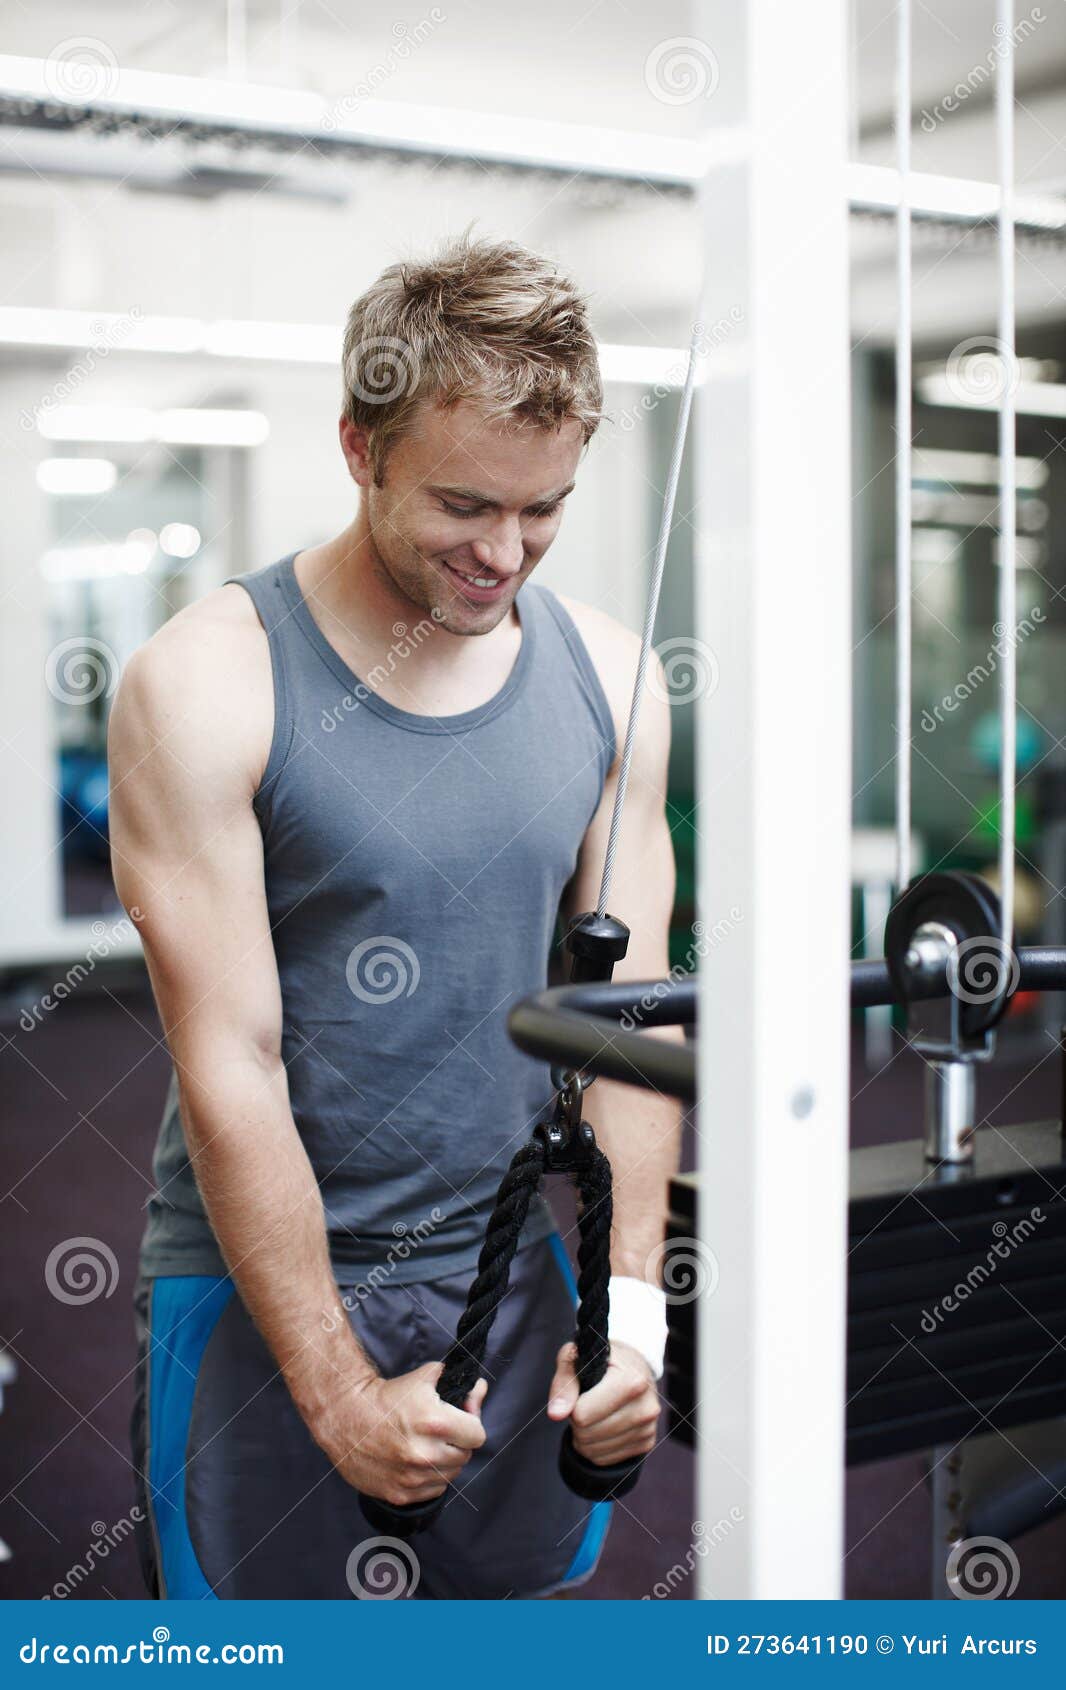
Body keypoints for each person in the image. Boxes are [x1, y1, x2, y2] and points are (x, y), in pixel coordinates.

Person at [108, 234, 682, 1600]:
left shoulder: (611, 679)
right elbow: (232, 1060)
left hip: (513, 1260)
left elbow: (632, 1026)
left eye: (542, 510)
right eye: (463, 504)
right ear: (360, 448)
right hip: (262, 1285)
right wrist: (333, 1384)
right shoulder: (206, 685)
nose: (503, 552)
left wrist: (632, 1317)